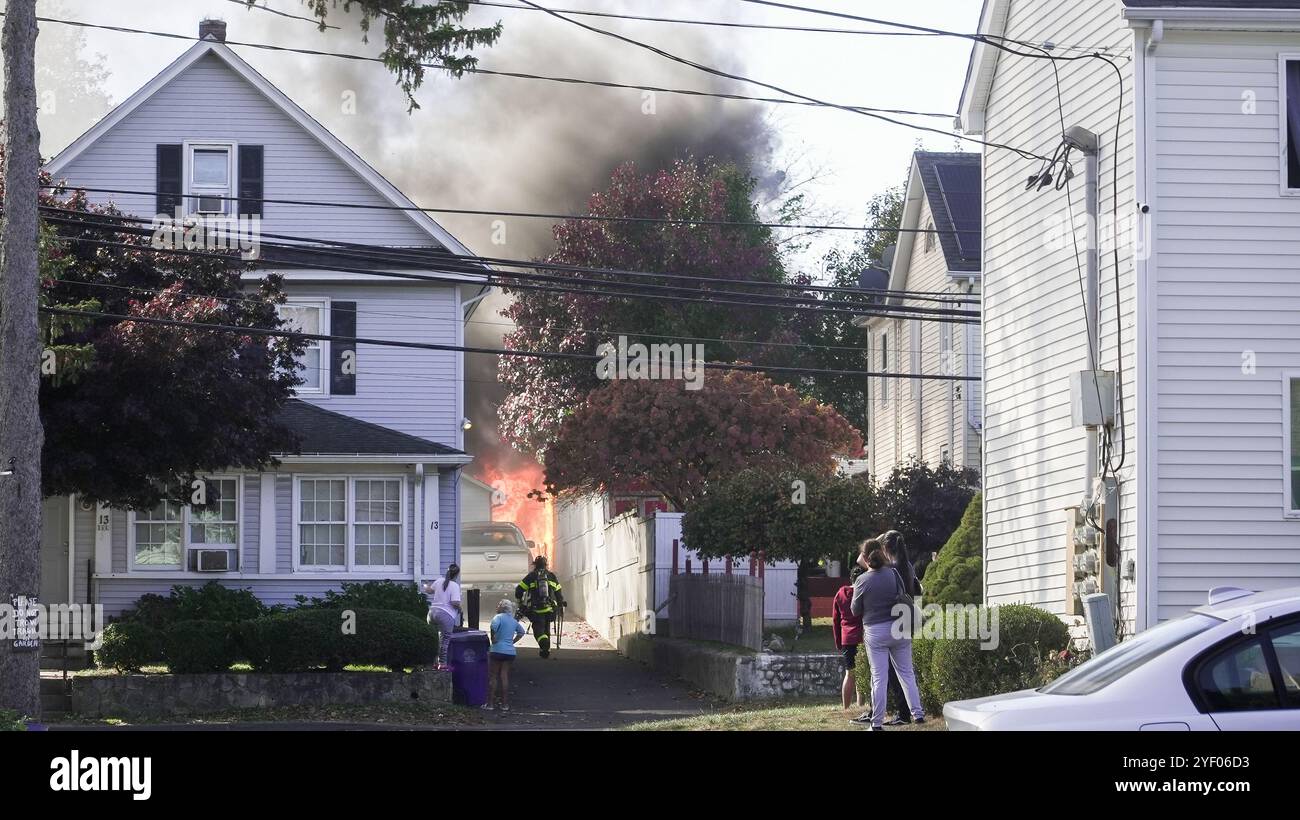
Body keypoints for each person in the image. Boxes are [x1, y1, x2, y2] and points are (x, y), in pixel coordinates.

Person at [850, 544, 925, 731]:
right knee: (907, 673)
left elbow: (855, 609)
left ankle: (876, 723)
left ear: (867, 560)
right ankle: (918, 714)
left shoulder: (862, 580)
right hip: (899, 628)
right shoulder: (893, 574)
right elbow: (902, 594)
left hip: (875, 631)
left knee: (879, 678)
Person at [515, 555, 565, 658]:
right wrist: (560, 603)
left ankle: (544, 644)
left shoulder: (531, 576)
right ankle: (545, 650)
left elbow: (519, 590)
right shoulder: (551, 576)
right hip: (550, 609)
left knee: (538, 630)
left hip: (536, 610)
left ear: (535, 565)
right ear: (546, 565)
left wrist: (520, 601)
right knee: (546, 628)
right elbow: (558, 592)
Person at [832, 565, 866, 711]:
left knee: (849, 674)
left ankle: (845, 707)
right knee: (862, 673)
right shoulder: (864, 593)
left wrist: (838, 642)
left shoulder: (840, 593)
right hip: (863, 637)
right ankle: (860, 706)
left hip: (847, 638)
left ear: (850, 578)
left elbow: (835, 620)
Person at [487, 599, 526, 712]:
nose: (497, 606)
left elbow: (493, 627)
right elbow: (521, 632)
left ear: (502, 607)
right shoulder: (513, 621)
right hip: (510, 652)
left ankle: (490, 704)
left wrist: (493, 639)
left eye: (498, 605)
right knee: (504, 676)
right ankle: (504, 705)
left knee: (493, 676)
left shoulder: (497, 617)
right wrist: (512, 642)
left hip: (497, 650)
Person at [423, 563, 461, 668]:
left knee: (433, 639)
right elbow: (455, 602)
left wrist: (425, 584)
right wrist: (460, 608)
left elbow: (428, 590)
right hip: (445, 614)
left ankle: (430, 663)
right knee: (445, 640)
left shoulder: (439, 581)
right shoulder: (454, 586)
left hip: (432, 614)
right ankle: (442, 664)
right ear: (457, 575)